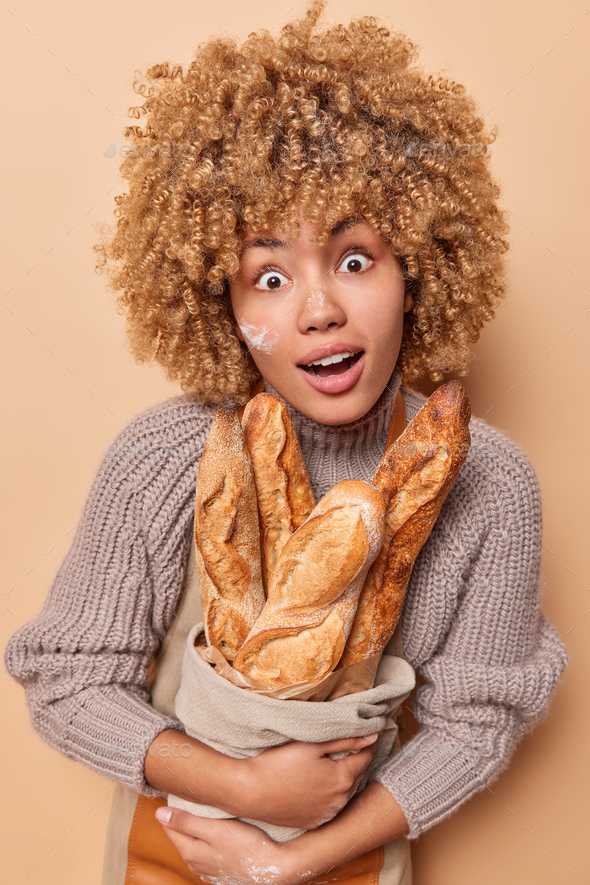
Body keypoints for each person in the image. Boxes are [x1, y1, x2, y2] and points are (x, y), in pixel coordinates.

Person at [3, 2, 568, 883]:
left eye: (354, 259)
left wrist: (300, 854)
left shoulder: (488, 481)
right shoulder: (162, 459)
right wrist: (244, 786)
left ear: (417, 267)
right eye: (268, 276)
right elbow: (67, 678)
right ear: (218, 302)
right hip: (168, 858)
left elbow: (476, 722)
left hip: (353, 860)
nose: (317, 310)